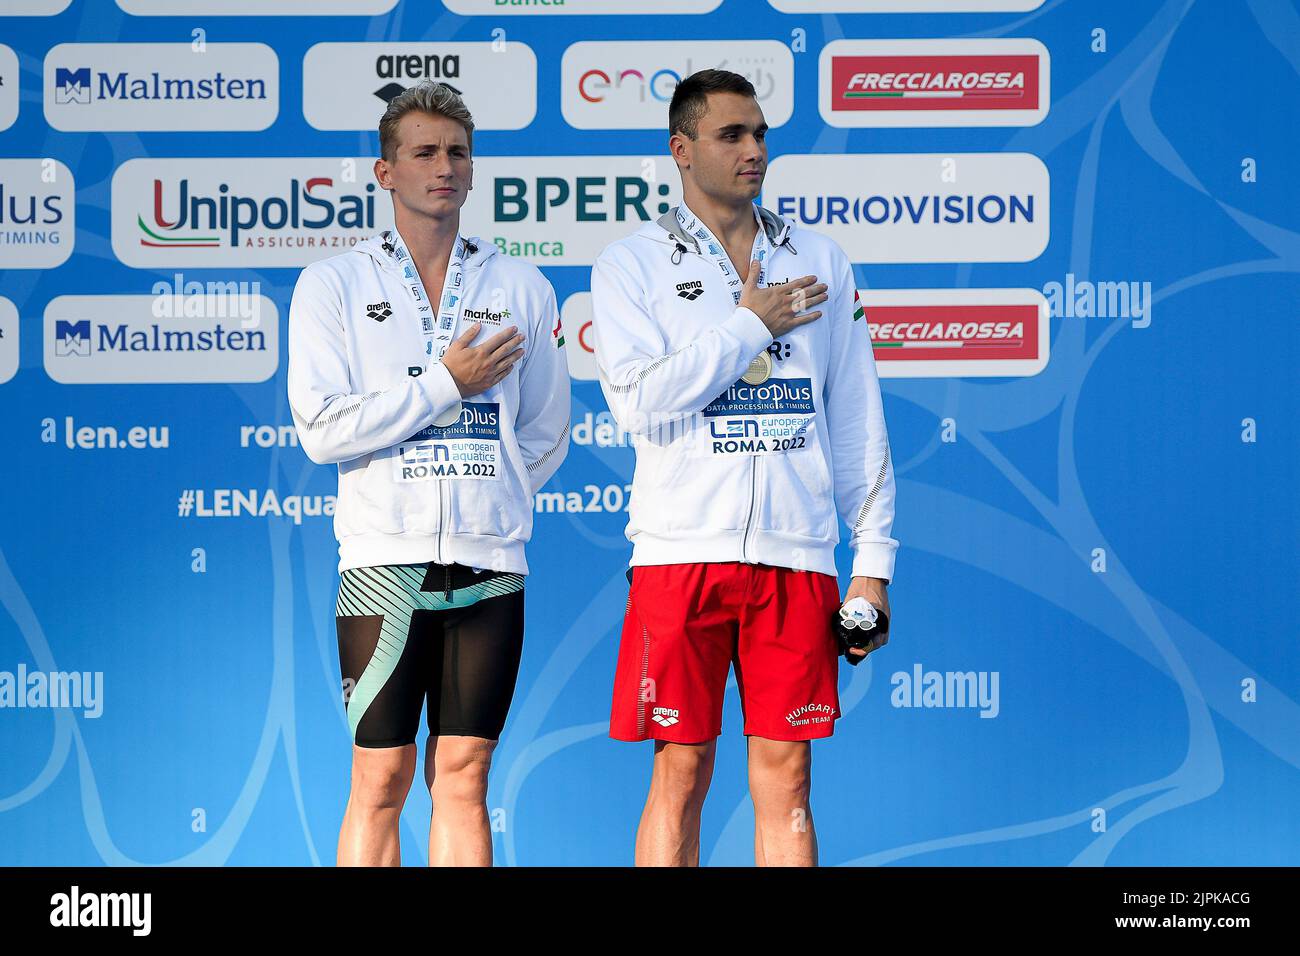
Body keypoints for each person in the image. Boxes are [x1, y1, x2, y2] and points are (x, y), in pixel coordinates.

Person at [589, 69, 899, 867]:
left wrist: (872, 567)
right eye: (733, 135)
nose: (755, 149)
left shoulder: (820, 257)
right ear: (682, 150)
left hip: (796, 557)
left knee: (788, 778)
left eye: (761, 133)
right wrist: (745, 327)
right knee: (681, 774)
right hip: (678, 553)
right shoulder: (632, 265)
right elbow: (638, 403)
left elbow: (857, 415)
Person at [287, 80, 570, 866]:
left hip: (491, 562)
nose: (444, 167)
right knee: (380, 776)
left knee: (464, 775)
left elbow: (544, 430)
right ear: (385, 172)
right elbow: (323, 430)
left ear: (473, 169)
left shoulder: (521, 285)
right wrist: (446, 384)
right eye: (424, 152)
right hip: (382, 561)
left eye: (457, 152)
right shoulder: (333, 286)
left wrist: (492, 496)